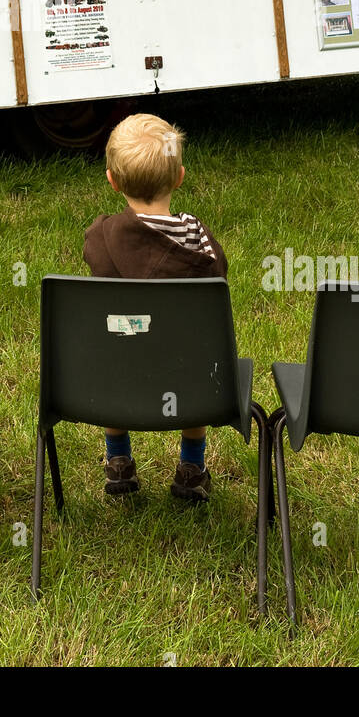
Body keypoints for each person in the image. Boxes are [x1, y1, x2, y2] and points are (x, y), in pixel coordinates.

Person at [83, 113, 227, 501]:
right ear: (179, 176)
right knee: (194, 353)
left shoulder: (100, 238)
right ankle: (191, 468)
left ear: (112, 181)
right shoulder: (201, 242)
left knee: (113, 348)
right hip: (190, 380)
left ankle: (118, 465)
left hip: (119, 376)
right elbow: (220, 275)